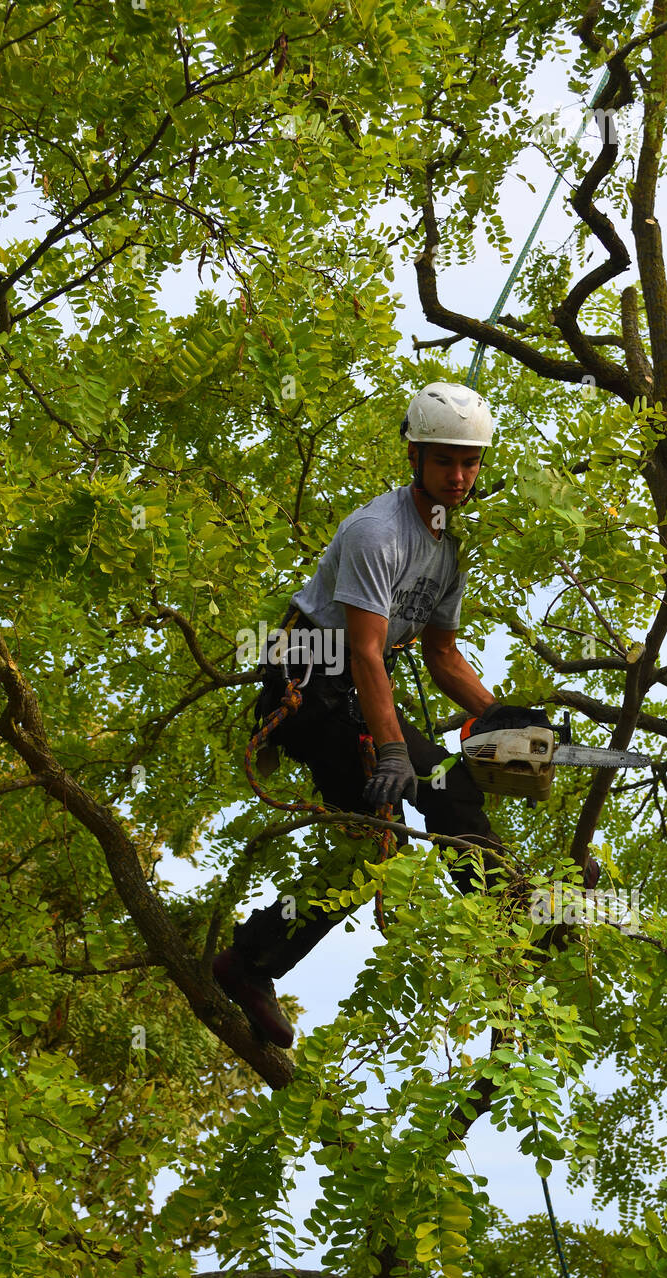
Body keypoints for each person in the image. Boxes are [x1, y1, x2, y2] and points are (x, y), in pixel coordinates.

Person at [214, 383, 546, 1047]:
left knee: (372, 854)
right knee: (441, 783)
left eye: (470, 463)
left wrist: (506, 721)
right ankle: (508, 904)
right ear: (416, 458)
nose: (459, 476)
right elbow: (365, 652)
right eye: (446, 462)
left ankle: (248, 960)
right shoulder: (377, 533)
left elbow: (443, 657)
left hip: (359, 697)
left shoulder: (448, 549)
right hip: (309, 686)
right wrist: (395, 752)